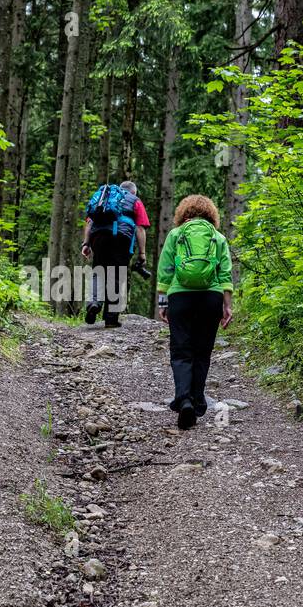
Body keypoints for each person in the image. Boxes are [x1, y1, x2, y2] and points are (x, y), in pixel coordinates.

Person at [154, 194, 234, 430]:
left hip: (180, 296)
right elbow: (225, 272)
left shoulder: (176, 234)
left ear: (183, 214)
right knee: (202, 351)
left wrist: (163, 301)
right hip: (211, 297)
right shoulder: (218, 237)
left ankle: (184, 399)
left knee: (181, 350)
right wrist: (226, 305)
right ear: (211, 215)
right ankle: (198, 402)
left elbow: (166, 268)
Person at [81, 180, 149, 327]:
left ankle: (94, 303)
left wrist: (86, 244)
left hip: (99, 236)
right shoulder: (135, 201)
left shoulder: (104, 196)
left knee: (98, 271)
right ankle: (111, 318)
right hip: (121, 238)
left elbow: (89, 222)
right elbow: (140, 229)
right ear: (133, 192)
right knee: (117, 275)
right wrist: (142, 253)